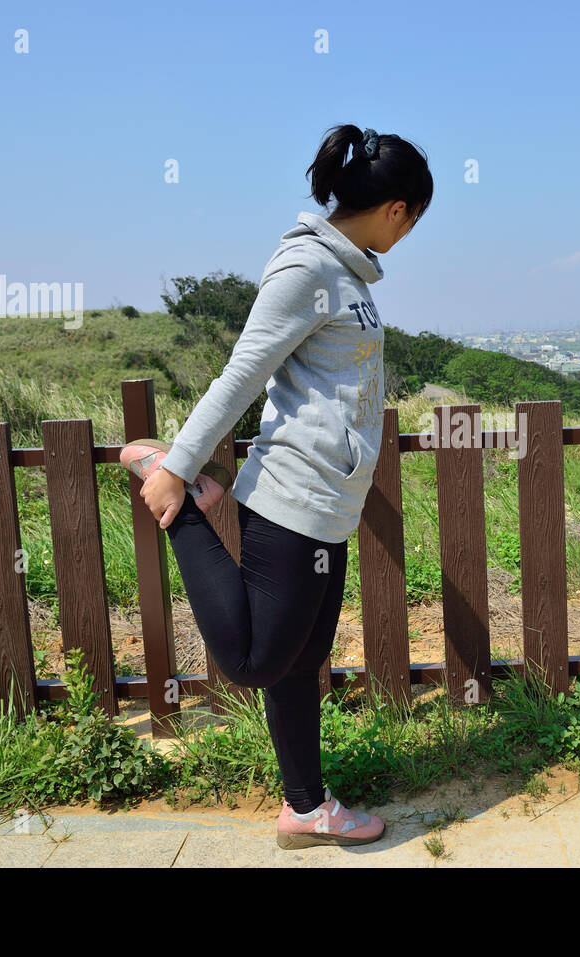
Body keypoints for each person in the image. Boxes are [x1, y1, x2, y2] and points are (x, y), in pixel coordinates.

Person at [119, 124, 433, 849]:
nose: (410, 233)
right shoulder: (306, 269)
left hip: (331, 505)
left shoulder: (349, 275)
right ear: (396, 209)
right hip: (293, 495)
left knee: (298, 662)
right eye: (413, 220)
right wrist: (175, 469)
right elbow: (243, 373)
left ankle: (306, 806)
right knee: (257, 660)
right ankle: (187, 508)